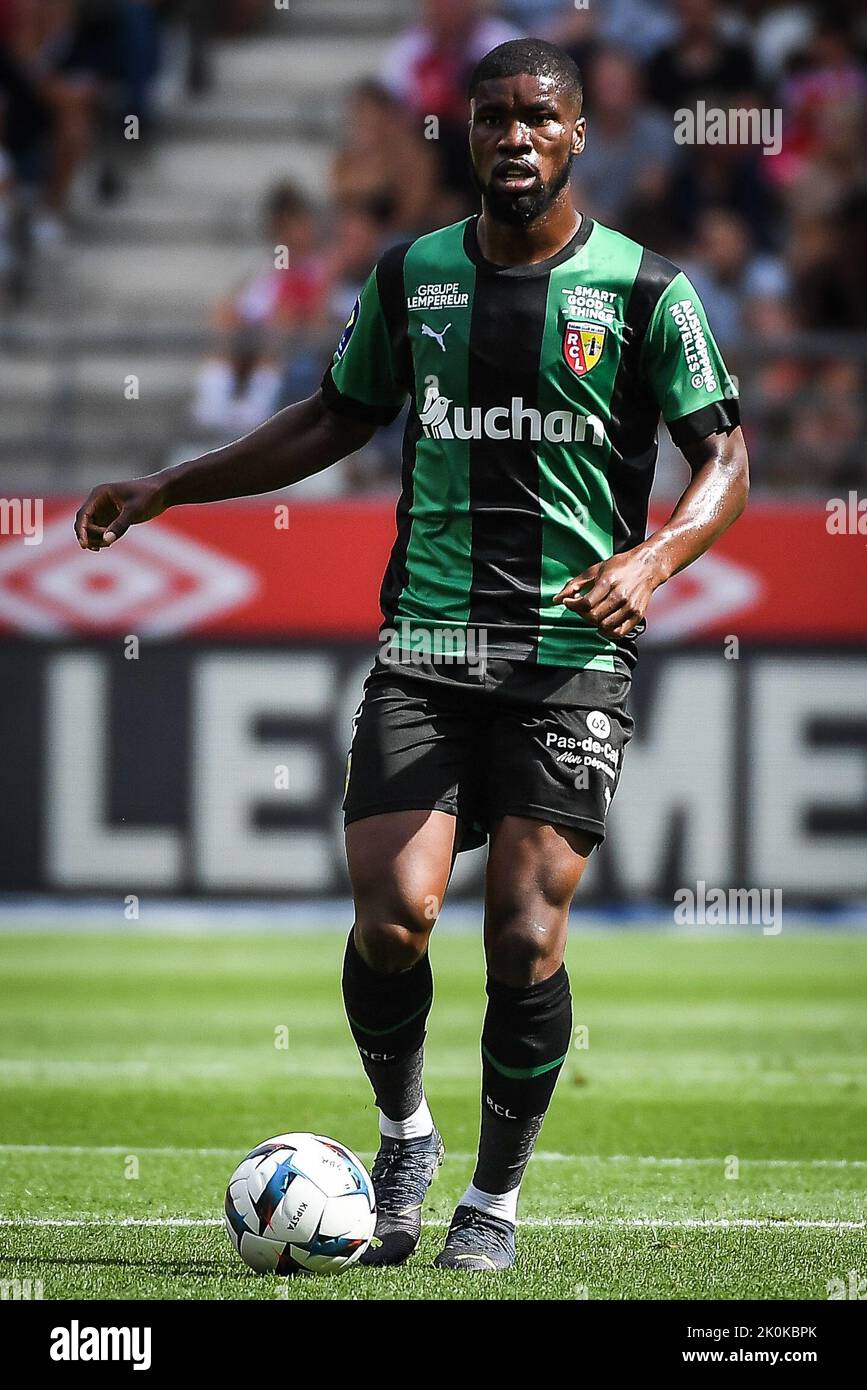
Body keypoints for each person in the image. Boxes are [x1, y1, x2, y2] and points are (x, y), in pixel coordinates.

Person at [74, 38, 749, 1273]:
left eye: (539, 117)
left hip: (565, 658)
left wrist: (652, 561)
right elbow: (336, 414)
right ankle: (404, 1135)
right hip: (427, 649)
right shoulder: (415, 280)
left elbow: (728, 461)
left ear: (578, 133)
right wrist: (174, 485)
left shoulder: (648, 294)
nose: (515, 138)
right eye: (493, 117)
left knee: (525, 934)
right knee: (394, 917)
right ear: (469, 132)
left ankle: (491, 1202)